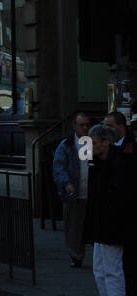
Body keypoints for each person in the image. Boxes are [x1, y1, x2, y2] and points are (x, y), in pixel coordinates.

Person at [82, 123, 130, 296]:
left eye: (94, 142)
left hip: (112, 225)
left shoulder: (119, 163)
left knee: (112, 269)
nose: (90, 146)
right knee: (99, 269)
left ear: (106, 143)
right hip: (100, 223)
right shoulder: (99, 162)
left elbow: (119, 198)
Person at [104, 111, 137, 296]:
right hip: (109, 212)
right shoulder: (100, 147)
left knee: (128, 263)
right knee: (108, 267)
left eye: (109, 126)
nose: (106, 130)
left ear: (121, 127)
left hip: (128, 212)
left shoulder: (131, 147)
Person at [53, 112, 92, 267]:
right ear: (74, 126)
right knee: (73, 227)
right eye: (81, 124)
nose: (85, 127)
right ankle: (76, 255)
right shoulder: (66, 145)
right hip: (74, 193)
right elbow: (58, 168)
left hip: (91, 191)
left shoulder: (94, 141)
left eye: (87, 124)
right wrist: (66, 183)